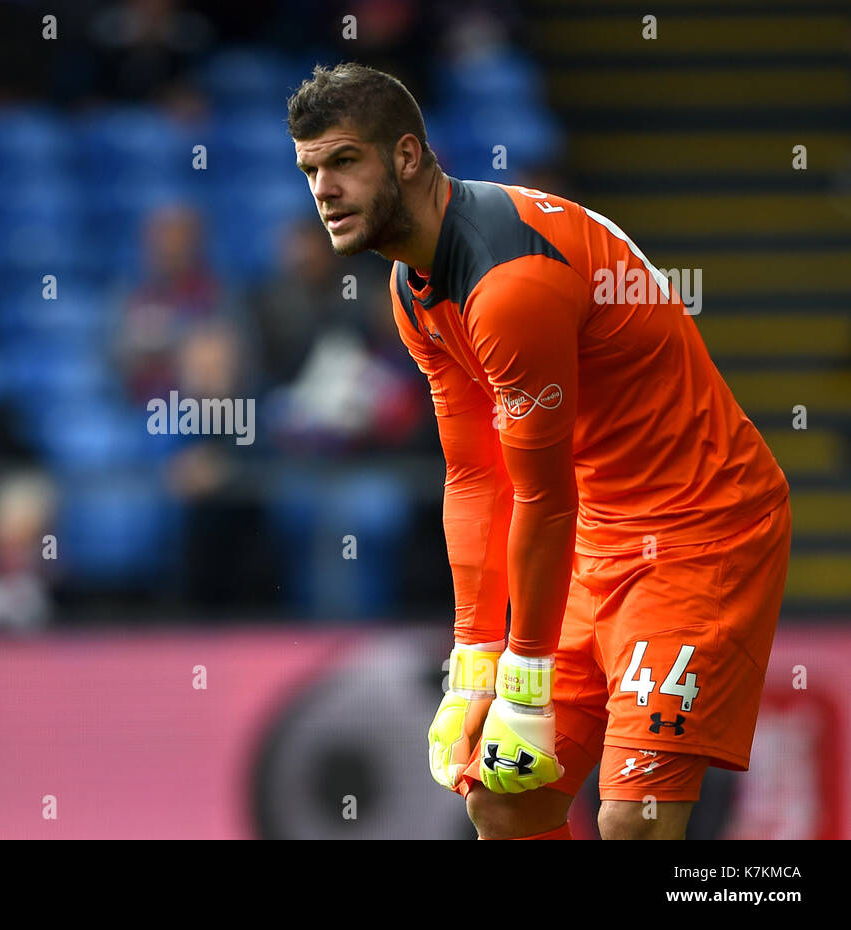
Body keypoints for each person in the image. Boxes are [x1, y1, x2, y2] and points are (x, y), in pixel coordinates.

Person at [287, 63, 791, 840]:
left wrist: (520, 686)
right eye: (310, 169)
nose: (323, 188)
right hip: (597, 534)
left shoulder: (510, 283)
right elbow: (473, 474)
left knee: (634, 819)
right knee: (504, 804)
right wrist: (473, 664)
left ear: (409, 156)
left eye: (344, 160)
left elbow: (540, 495)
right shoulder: (411, 286)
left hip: (698, 532)